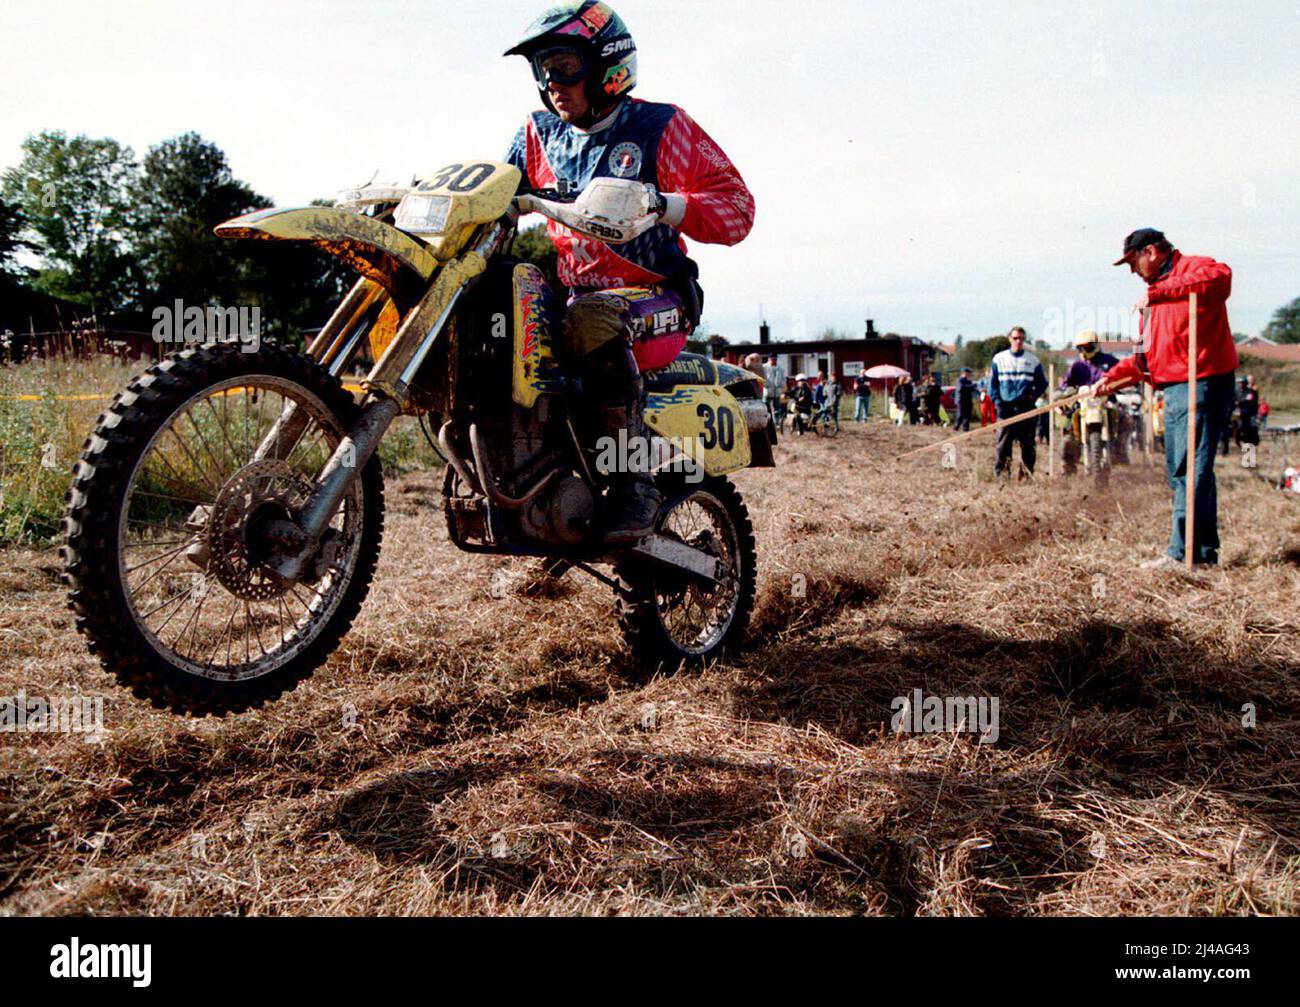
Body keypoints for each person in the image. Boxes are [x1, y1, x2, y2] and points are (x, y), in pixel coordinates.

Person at [504, 1, 755, 543]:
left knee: (593, 320)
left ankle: (633, 482)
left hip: (658, 297)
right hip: (572, 296)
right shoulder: (535, 134)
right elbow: (498, 201)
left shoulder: (661, 126)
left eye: (565, 66)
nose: (553, 83)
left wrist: (663, 204)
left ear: (606, 64)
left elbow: (738, 209)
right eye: (544, 70)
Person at [1092, 228, 1238, 568]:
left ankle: (1182, 555)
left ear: (1151, 252)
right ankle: (1202, 554)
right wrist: (1109, 381)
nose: (1132, 271)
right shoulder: (1152, 302)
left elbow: (1221, 278)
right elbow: (1143, 361)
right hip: (1173, 389)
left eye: (1133, 262)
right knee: (1183, 469)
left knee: (1191, 469)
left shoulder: (1193, 270)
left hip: (1201, 381)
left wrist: (1160, 293)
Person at [1060, 329, 1121, 475]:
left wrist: (1117, 385)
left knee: (1122, 418)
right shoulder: (1077, 366)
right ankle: (1068, 462)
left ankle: (1120, 448)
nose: (1084, 350)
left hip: (1106, 401)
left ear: (1095, 345)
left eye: (1087, 347)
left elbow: (1122, 373)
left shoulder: (1109, 361)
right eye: (1081, 348)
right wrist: (1064, 391)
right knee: (1067, 424)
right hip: (1083, 403)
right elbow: (1065, 384)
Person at [989, 326, 1047, 477]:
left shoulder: (1032, 360)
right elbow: (992, 385)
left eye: (1021, 338)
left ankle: (1027, 475)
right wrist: (998, 402)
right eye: (1015, 338)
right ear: (1010, 339)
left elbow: (1042, 383)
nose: (1018, 341)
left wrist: (1032, 396)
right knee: (1003, 445)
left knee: (1028, 445)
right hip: (1005, 408)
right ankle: (1002, 475)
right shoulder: (999, 359)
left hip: (1025, 408)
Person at [762, 354, 786, 428]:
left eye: (775, 359)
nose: (774, 360)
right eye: (773, 359)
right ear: (769, 359)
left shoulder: (780, 368)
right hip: (767, 391)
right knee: (765, 407)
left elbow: (783, 379)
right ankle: (766, 422)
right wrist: (766, 385)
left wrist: (781, 385)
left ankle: (776, 423)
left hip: (777, 392)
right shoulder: (764, 367)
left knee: (777, 408)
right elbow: (761, 377)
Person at [953, 366, 976, 431]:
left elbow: (971, 389)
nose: (969, 374)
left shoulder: (968, 381)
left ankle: (965, 427)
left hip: (968, 400)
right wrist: (972, 386)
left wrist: (974, 387)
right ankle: (956, 427)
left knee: (967, 414)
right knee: (960, 414)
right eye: (968, 373)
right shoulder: (959, 380)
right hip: (961, 400)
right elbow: (961, 388)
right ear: (964, 373)